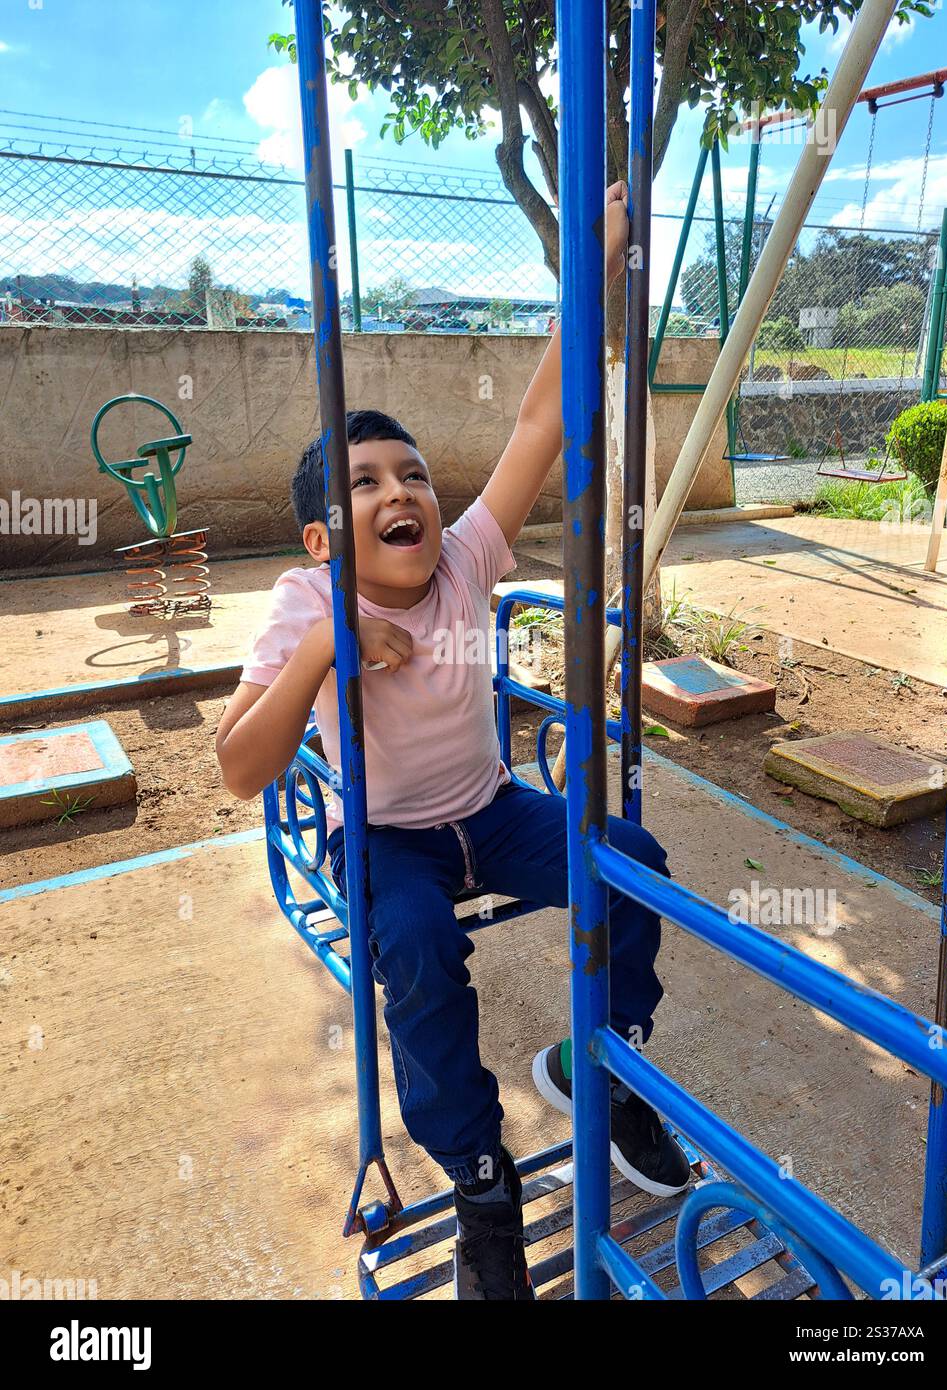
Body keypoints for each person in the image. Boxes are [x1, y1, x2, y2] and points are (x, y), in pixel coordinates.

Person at [216, 182, 690, 1301]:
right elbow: (239, 768)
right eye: (367, 483)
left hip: (489, 812)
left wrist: (596, 255)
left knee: (636, 868)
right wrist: (328, 645)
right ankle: (483, 1184)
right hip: (389, 839)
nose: (403, 492)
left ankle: (601, 1067)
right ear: (327, 537)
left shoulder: (471, 558)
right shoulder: (303, 601)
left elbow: (540, 417)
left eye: (414, 473)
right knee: (421, 950)